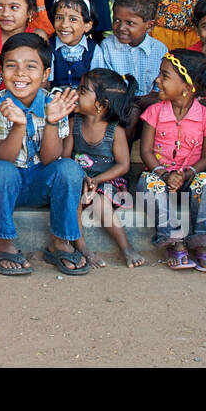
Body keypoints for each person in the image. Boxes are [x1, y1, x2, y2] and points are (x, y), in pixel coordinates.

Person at [0, 33, 82, 276]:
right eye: (11, 66)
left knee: (69, 168)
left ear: (45, 74)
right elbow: (4, 158)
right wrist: (20, 125)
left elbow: (50, 160)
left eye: (31, 67)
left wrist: (53, 122)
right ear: (0, 71)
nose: (20, 74)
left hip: (39, 182)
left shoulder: (53, 104)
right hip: (6, 186)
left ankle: (60, 242)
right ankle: (3, 243)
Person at [136, 50, 206, 272]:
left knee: (205, 180)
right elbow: (145, 151)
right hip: (160, 176)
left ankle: (203, 242)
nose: (158, 80)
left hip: (187, 178)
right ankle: (174, 240)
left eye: (165, 76)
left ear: (187, 86)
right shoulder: (154, 112)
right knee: (148, 182)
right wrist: (165, 175)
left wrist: (184, 175)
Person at [64, 68, 143, 268]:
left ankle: (126, 248)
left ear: (100, 105)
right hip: (79, 180)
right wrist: (81, 179)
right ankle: (82, 248)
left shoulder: (115, 130)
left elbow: (124, 164)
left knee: (100, 202)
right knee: (73, 199)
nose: (75, 93)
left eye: (82, 91)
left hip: (106, 181)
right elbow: (64, 158)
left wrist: (97, 180)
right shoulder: (73, 123)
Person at [89, 0, 169, 134]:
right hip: (119, 104)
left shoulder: (159, 49)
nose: (121, 28)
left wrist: (151, 97)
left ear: (149, 25)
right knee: (131, 111)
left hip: (149, 104)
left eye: (130, 23)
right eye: (116, 20)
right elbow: (103, 84)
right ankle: (122, 153)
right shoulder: (107, 47)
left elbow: (162, 88)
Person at [49, 0, 96, 91]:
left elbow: (97, 86)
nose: (64, 25)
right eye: (59, 17)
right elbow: (46, 84)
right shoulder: (49, 47)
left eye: (73, 19)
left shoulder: (94, 50)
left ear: (87, 25)